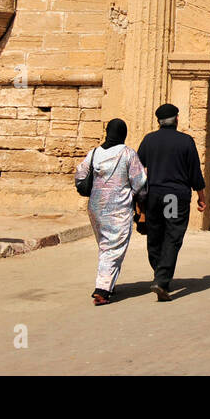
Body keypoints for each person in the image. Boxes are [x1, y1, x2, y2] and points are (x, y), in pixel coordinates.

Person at [136, 103, 206, 302]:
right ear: (176, 119)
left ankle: (160, 273)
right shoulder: (185, 141)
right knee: (172, 235)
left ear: (159, 121)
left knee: (155, 234)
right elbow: (195, 173)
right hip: (173, 197)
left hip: (154, 195)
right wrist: (202, 197)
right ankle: (162, 278)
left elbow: (138, 169)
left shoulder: (149, 140)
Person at [74, 118, 146, 306]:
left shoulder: (95, 152)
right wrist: (142, 207)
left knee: (106, 246)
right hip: (118, 209)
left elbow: (80, 175)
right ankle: (102, 290)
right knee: (112, 248)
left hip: (96, 208)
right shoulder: (128, 153)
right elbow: (140, 184)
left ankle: (109, 282)